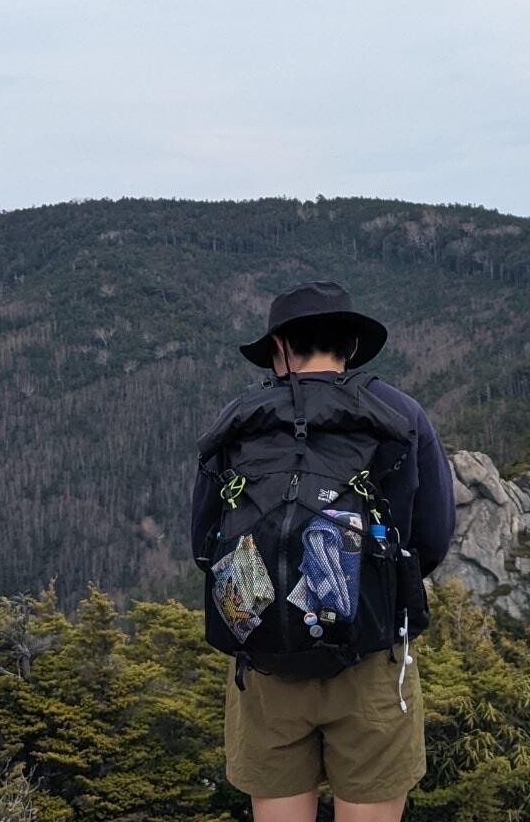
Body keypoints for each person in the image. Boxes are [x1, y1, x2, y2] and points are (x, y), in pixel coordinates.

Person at [191, 281, 457, 822]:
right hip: (370, 656)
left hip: (264, 658)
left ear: (280, 348)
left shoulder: (243, 416)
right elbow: (432, 537)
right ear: (351, 346)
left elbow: (204, 543)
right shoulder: (397, 411)